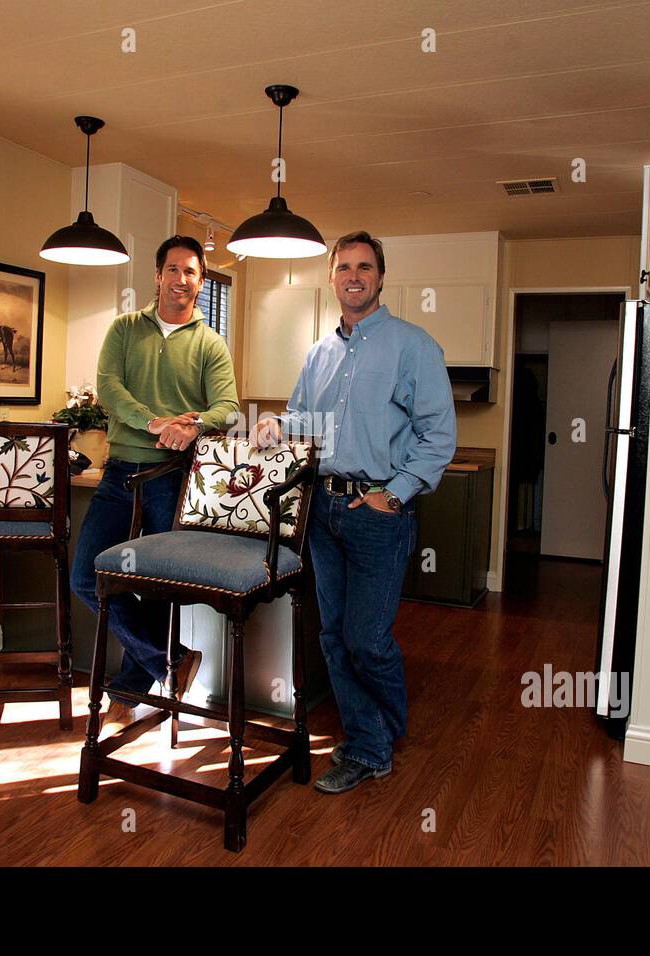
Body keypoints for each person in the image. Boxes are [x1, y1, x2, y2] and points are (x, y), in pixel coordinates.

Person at [253, 230, 456, 793]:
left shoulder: (413, 346)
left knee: (367, 638)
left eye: (365, 267)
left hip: (377, 515)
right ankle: (373, 739)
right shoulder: (320, 353)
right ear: (332, 278)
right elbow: (306, 419)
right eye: (344, 267)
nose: (354, 276)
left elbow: (439, 436)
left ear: (381, 277)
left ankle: (378, 734)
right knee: (334, 636)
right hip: (323, 511)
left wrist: (393, 495)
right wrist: (277, 422)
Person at [71, 235, 239, 735]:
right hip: (120, 473)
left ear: (201, 281)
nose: (180, 279)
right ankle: (173, 660)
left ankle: (127, 693)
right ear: (157, 275)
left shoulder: (210, 344)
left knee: (158, 588)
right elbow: (109, 388)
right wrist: (152, 422)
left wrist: (193, 425)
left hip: (173, 479)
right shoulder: (125, 329)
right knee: (88, 578)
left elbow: (228, 407)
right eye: (172, 269)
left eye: (191, 272)